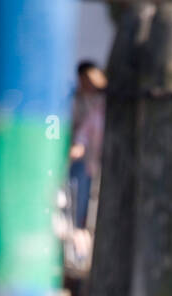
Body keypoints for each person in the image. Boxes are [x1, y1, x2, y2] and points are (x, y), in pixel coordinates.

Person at [69, 61, 107, 230]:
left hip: (104, 162)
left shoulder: (106, 100)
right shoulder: (76, 99)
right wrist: (78, 143)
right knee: (81, 199)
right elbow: (85, 129)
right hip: (85, 162)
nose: (88, 83)